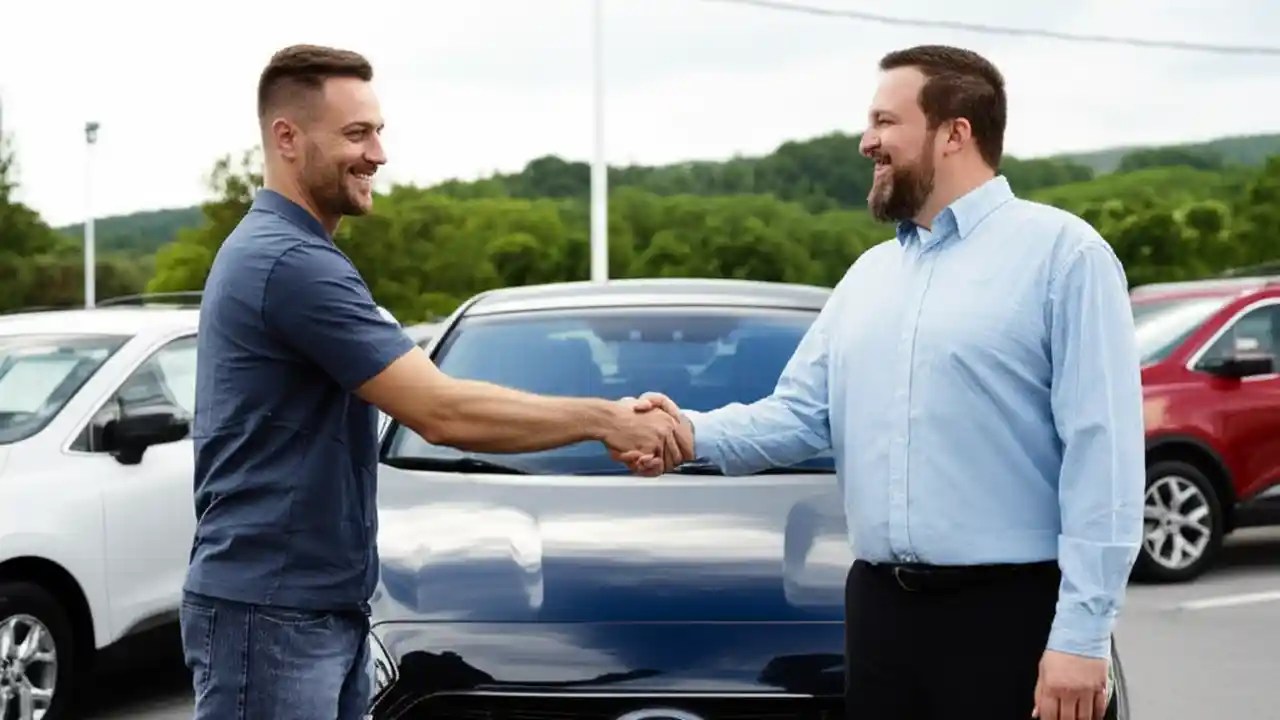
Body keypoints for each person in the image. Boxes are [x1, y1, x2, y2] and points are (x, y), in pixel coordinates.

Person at [620, 45, 1144, 720]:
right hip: (881, 617)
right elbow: (799, 416)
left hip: (1011, 617)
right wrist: (687, 433)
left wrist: (1081, 635)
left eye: (885, 121)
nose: (867, 141)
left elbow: (1106, 460)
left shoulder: (1065, 258)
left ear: (956, 133)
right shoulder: (868, 277)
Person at [181, 44, 689, 720]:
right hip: (274, 616)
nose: (379, 154)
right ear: (287, 138)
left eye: (379, 131)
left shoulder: (290, 254)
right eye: (357, 133)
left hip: (306, 609)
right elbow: (442, 411)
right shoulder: (289, 262)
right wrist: (608, 421)